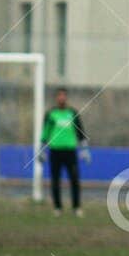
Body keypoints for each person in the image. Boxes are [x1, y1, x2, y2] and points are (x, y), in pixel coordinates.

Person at [41, 88, 89, 217]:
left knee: (74, 179)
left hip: (70, 151)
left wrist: (84, 150)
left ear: (66, 98)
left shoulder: (72, 113)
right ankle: (57, 208)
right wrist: (42, 150)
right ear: (56, 98)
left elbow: (81, 132)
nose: (61, 98)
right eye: (59, 96)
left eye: (63, 96)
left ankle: (76, 207)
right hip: (55, 151)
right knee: (55, 180)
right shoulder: (51, 114)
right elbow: (45, 132)